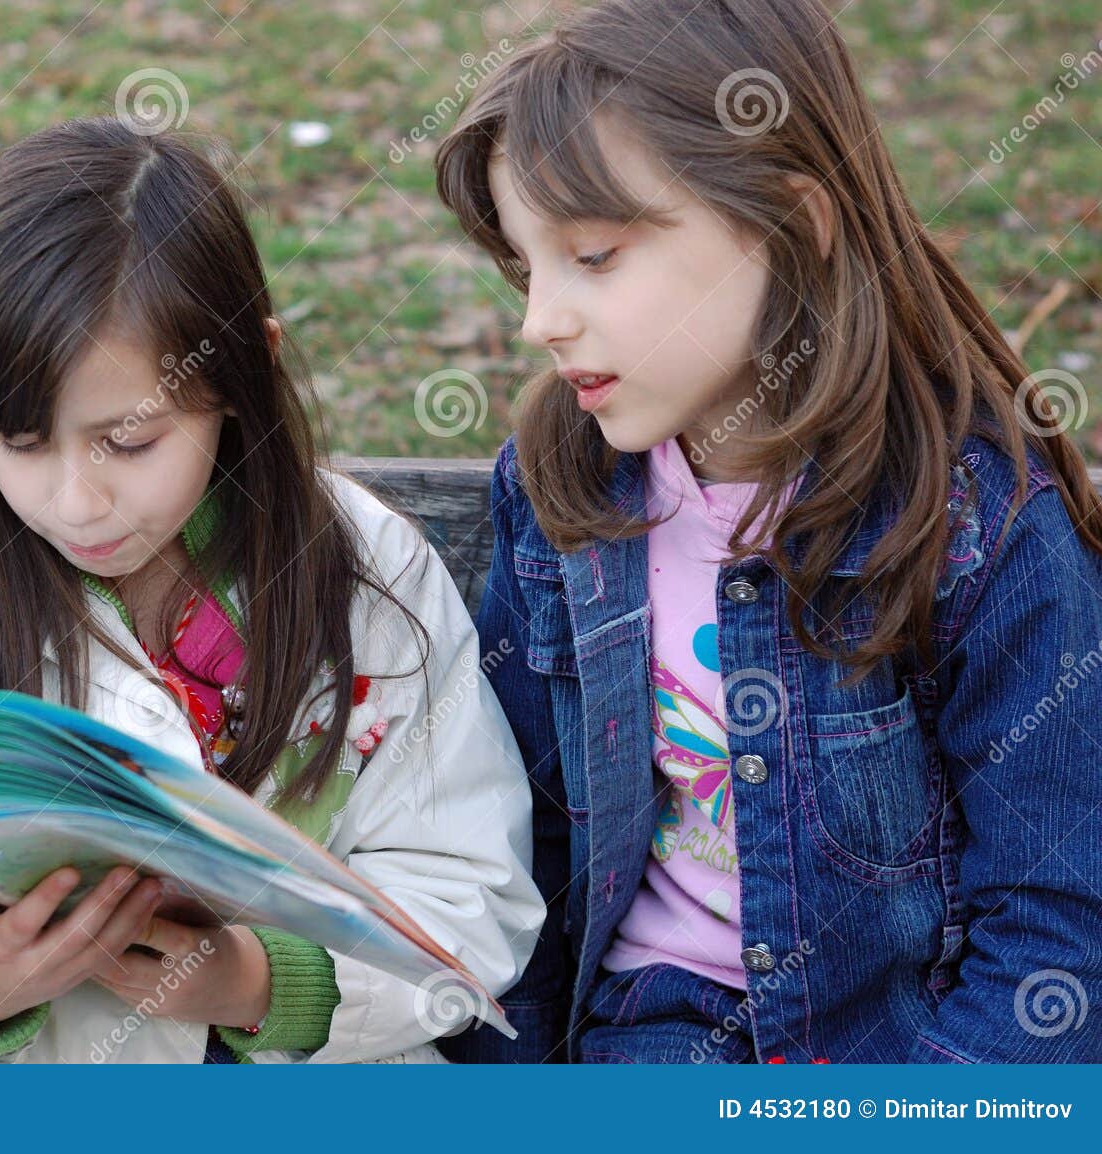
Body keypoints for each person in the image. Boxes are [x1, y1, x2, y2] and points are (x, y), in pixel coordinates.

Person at [435, 0, 1102, 1063]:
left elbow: (1060, 923)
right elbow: (524, 847)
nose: (538, 319)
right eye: (527, 267)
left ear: (792, 221)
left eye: (594, 256)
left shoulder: (975, 518)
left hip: (904, 1057)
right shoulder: (562, 491)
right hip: (648, 1042)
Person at [0, 116, 543, 1064]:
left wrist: (257, 983)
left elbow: (469, 893)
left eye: (130, 441)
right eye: (21, 443)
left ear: (243, 373)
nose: (76, 499)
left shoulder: (367, 571)